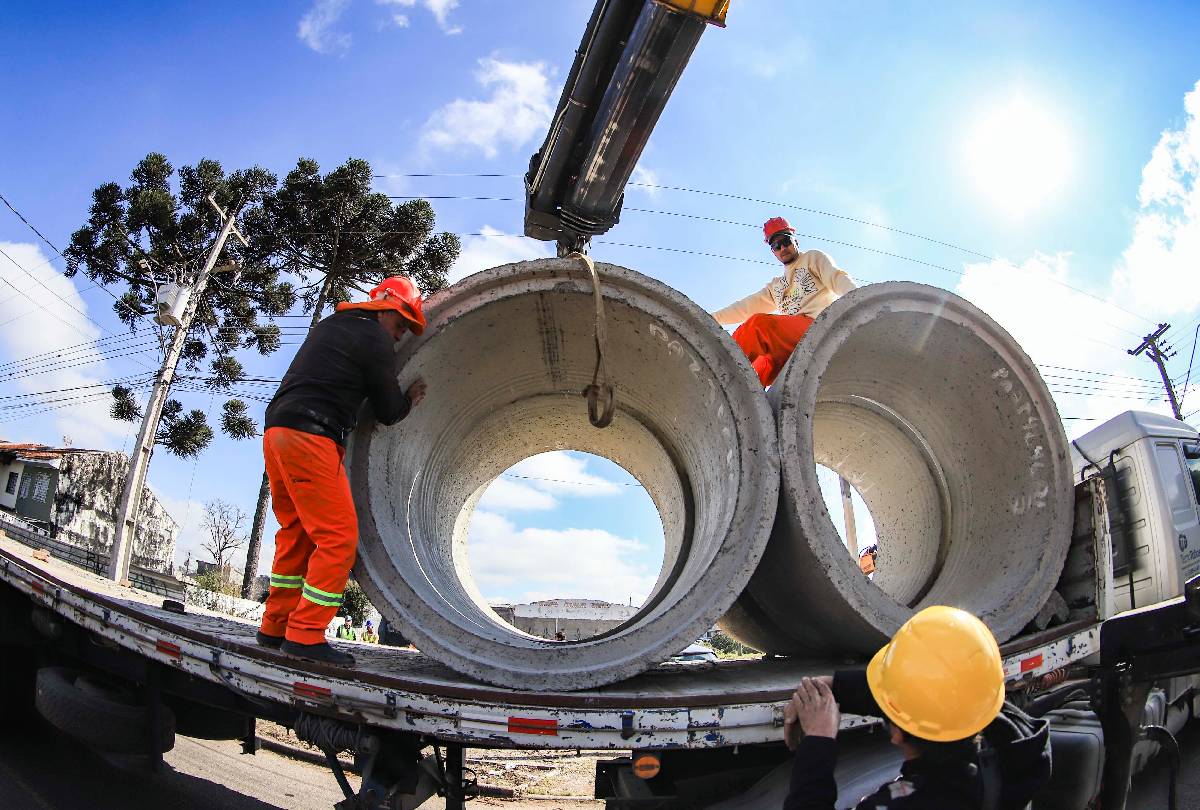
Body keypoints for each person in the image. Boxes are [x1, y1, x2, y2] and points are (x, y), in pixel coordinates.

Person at [255, 276, 428, 667]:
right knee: (338, 539)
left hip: (277, 432)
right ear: (386, 309)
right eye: (401, 324)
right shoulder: (376, 340)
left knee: (297, 531)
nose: (400, 336)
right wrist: (411, 400)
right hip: (312, 436)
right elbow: (387, 411)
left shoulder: (332, 324)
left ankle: (275, 626)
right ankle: (304, 636)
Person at [782, 606, 1051, 810]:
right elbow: (942, 692)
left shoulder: (916, 802)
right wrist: (838, 686)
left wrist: (818, 743)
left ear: (897, 734)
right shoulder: (1015, 747)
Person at [712, 217, 856, 387]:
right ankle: (734, 397)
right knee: (759, 368)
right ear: (773, 251)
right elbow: (744, 307)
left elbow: (837, 278)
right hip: (790, 342)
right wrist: (711, 319)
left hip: (816, 326)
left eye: (785, 241)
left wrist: (859, 301)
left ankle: (714, 369)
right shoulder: (776, 286)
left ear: (795, 240)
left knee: (759, 326)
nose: (782, 248)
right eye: (776, 246)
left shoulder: (812, 259)